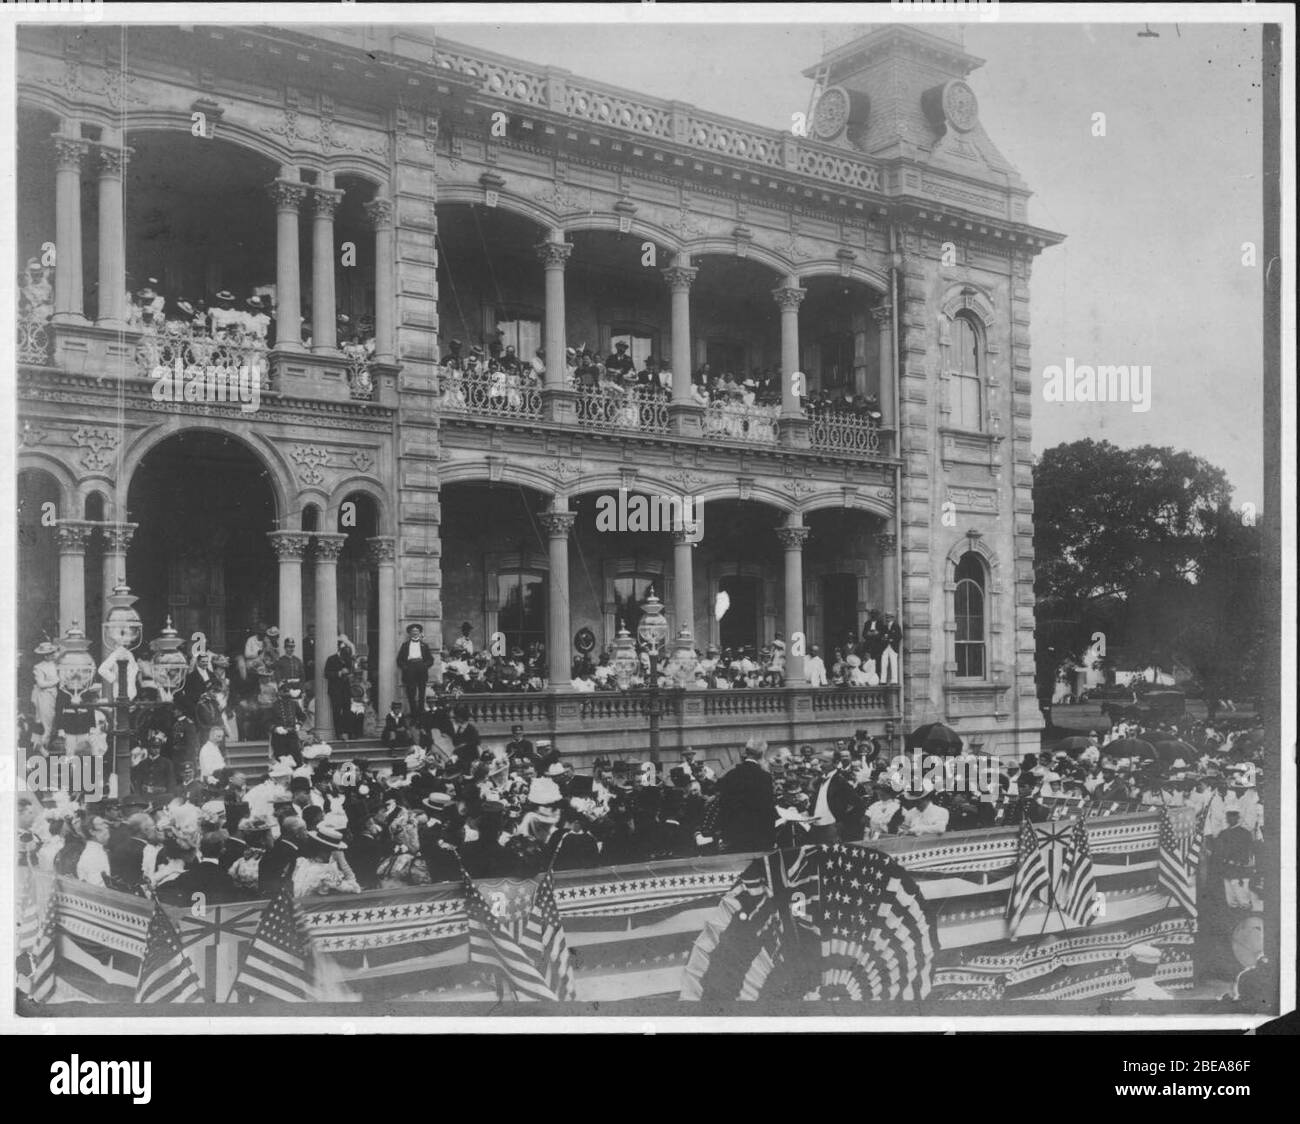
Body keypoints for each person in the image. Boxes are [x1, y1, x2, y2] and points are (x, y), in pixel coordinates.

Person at [716, 738, 775, 853]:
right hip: (758, 836)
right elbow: (767, 809)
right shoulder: (764, 777)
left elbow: (723, 805)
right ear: (762, 754)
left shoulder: (730, 775)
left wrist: (725, 834)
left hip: (734, 835)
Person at [1217, 809, 1255, 911]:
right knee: (1230, 899)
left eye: (1233, 816)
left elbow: (1248, 852)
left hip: (1240, 869)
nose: (1231, 818)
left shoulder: (1245, 833)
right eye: (1229, 816)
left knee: (1242, 898)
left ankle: (1246, 917)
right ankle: (1234, 920)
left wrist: (1242, 866)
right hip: (1227, 868)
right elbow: (1219, 852)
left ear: (1238, 817)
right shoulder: (1223, 833)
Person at [258, 815, 306, 897]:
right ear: (296, 833)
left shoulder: (274, 848)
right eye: (304, 830)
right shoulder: (293, 853)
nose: (306, 833)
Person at [397, 623, 435, 714]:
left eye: (416, 631)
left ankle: (421, 711)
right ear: (410, 633)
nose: (415, 633)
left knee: (422, 692)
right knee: (411, 692)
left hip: (421, 668)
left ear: (419, 633)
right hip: (410, 668)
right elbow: (399, 660)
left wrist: (425, 666)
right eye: (413, 631)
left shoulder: (424, 645)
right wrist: (405, 667)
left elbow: (430, 659)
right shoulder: (405, 645)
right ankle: (414, 713)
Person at [880, 613, 902, 684]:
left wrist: (892, 640)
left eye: (889, 618)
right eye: (887, 618)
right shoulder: (884, 627)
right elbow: (881, 636)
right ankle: (883, 680)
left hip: (893, 647)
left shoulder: (896, 626)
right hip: (885, 647)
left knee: (893, 663)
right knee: (884, 663)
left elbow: (899, 636)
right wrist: (883, 639)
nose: (887, 619)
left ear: (892, 618)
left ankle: (894, 680)